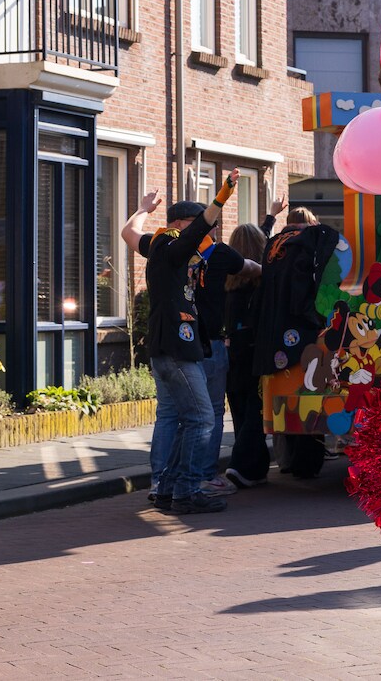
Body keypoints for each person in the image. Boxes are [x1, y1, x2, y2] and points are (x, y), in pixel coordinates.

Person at [121, 171, 241, 515]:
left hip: (166, 349)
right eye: (194, 234)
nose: (203, 239)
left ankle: (167, 489)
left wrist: (143, 208)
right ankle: (186, 492)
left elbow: (129, 232)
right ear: (181, 229)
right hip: (178, 348)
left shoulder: (155, 246)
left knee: (185, 419)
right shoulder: (174, 249)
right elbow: (200, 227)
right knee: (203, 418)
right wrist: (222, 195)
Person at [252, 206, 340, 479]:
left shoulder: (274, 246)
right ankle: (306, 462)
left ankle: (287, 459)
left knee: (283, 397)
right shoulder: (309, 245)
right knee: (310, 396)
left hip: (271, 333)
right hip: (301, 331)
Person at [223, 221, 271, 489]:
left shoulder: (227, 279)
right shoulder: (262, 280)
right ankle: (242, 464)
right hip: (256, 349)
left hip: (231, 349)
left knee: (239, 407)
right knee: (256, 409)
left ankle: (255, 467)